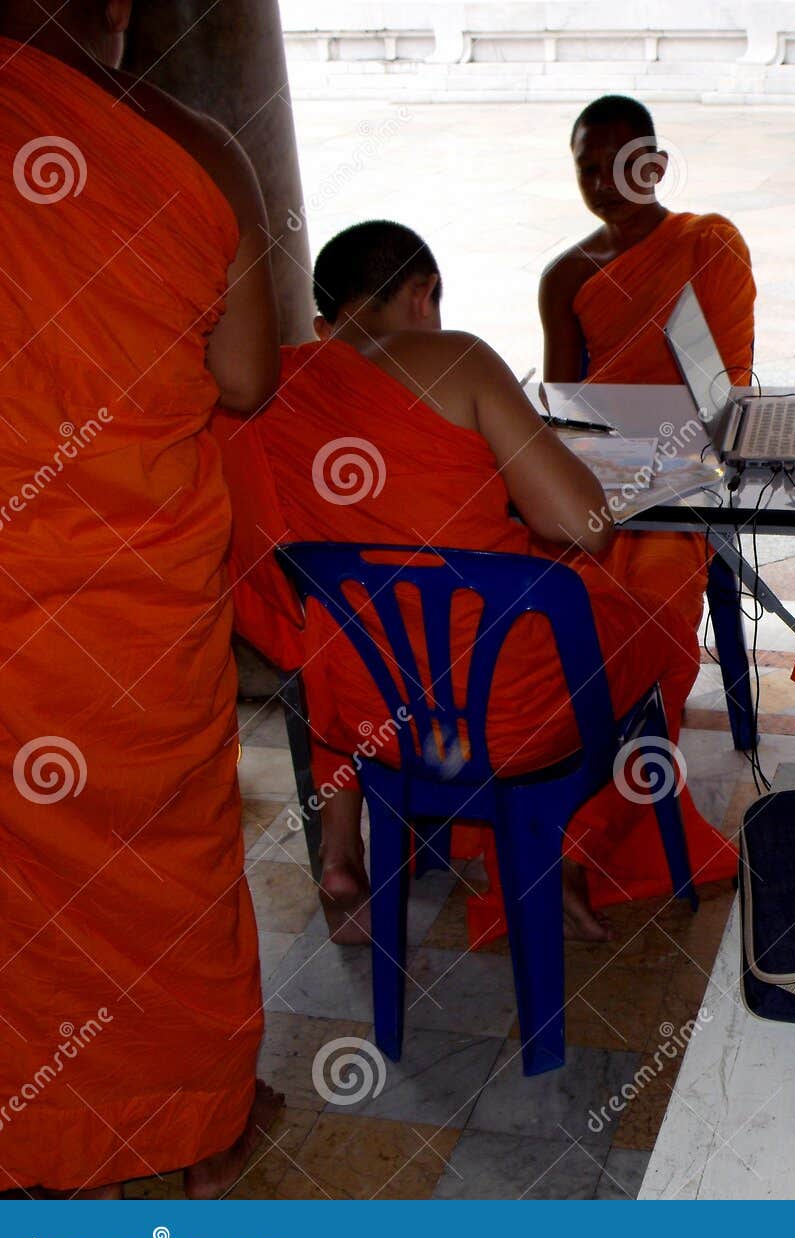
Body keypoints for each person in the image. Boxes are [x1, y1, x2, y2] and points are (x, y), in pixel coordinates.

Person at [217, 221, 736, 946]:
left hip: (370, 704)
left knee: (342, 635)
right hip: (508, 710)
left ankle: (342, 857)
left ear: (323, 318)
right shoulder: (455, 358)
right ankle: (563, 851)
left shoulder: (266, 390)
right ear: (424, 293)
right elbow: (585, 525)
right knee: (656, 631)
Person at [0, 0, 281, 1198]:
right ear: (115, 8)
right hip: (129, 611)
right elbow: (249, 378)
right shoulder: (192, 147)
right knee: (160, 861)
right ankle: (179, 1113)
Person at [538, 94, 756, 633]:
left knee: (654, 588)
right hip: (599, 468)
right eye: (589, 169)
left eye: (621, 166)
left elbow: (727, 391)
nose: (603, 185)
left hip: (689, 464)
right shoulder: (565, 275)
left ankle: (646, 707)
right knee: (551, 585)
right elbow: (563, 407)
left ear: (655, 166)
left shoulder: (709, 243)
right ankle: (582, 712)